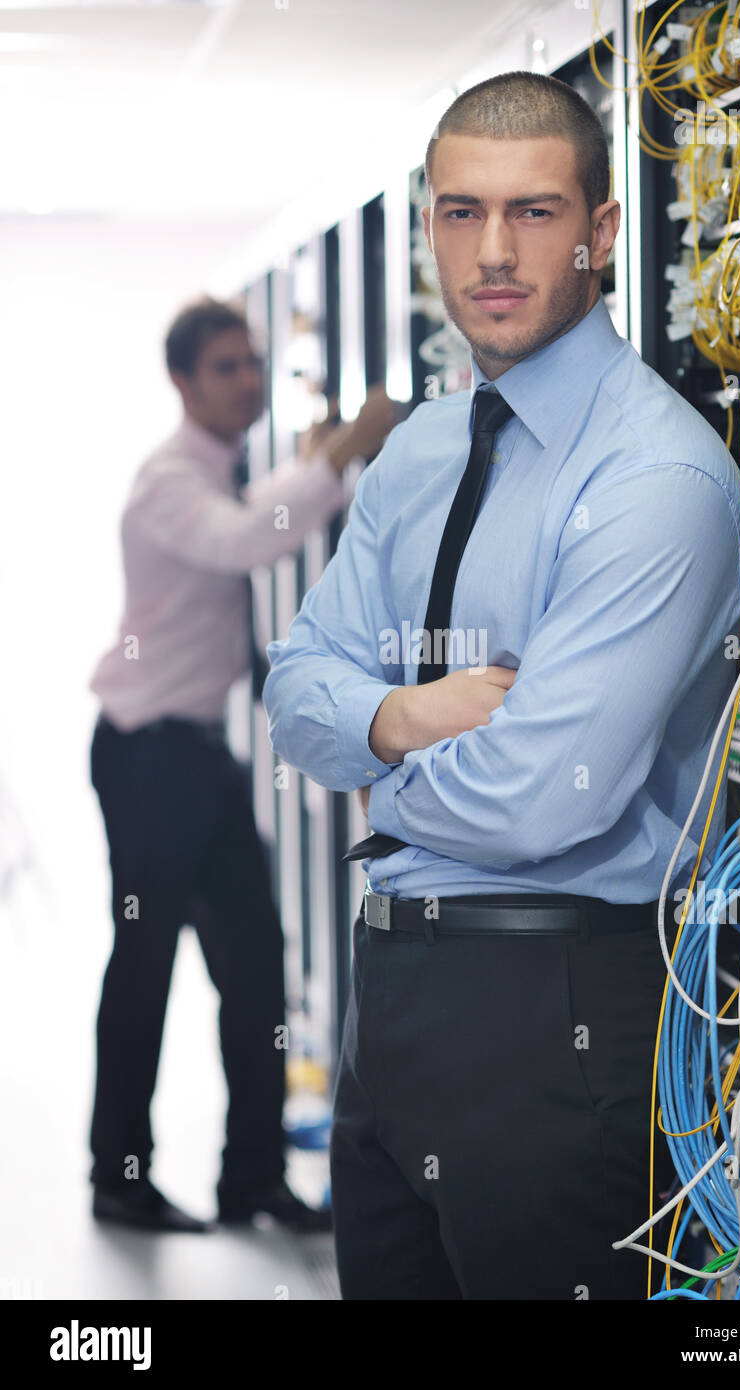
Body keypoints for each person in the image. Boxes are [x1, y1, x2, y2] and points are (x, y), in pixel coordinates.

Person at [263, 72, 740, 1298]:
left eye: (532, 214)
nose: (490, 251)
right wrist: (404, 717)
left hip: (559, 1009)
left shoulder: (656, 478)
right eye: (457, 212)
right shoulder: (422, 448)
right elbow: (295, 684)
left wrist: (371, 769)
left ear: (599, 233)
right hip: (393, 1001)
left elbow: (546, 797)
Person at [88, 296, 395, 1233]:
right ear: (182, 381)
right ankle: (119, 1177)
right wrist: (342, 449)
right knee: (144, 967)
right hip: (147, 754)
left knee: (257, 965)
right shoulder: (168, 480)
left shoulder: (225, 468)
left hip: (197, 756)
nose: (247, 382)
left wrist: (328, 464)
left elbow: (271, 518)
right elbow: (246, 539)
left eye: (252, 363)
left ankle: (252, 1179)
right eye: (225, 367)